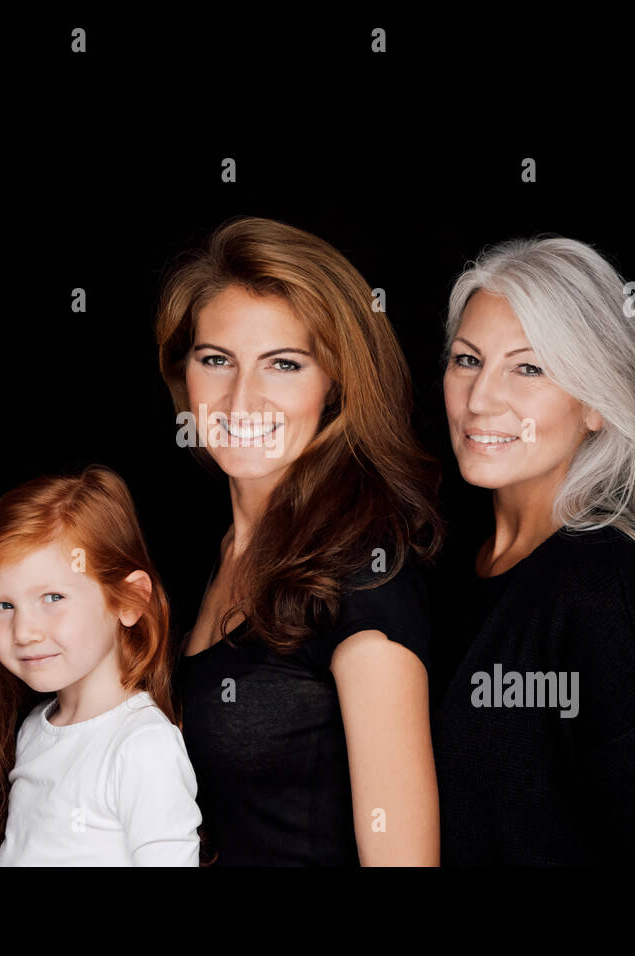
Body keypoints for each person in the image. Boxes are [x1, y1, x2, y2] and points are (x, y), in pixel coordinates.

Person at [431, 236, 635, 864]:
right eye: (467, 360)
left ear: (595, 402)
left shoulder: (607, 590)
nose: (480, 398)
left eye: (529, 367)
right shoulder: (447, 568)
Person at [156, 216, 444, 866]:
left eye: (284, 364)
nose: (241, 400)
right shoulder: (212, 549)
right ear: (185, 375)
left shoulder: (366, 575)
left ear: (335, 384)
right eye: (216, 360)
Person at [0, 465, 201, 866]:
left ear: (129, 601)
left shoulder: (141, 745)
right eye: (4, 605)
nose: (25, 631)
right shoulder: (35, 729)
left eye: (52, 597)